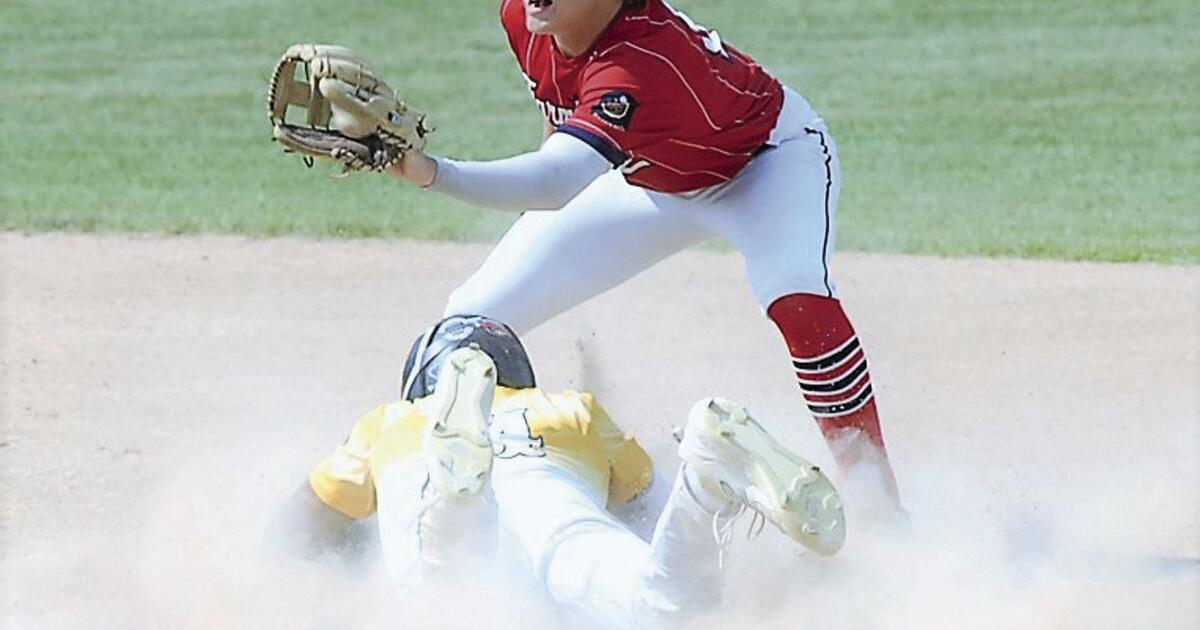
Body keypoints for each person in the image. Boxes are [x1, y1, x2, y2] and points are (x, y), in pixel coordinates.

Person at [384, 0, 900, 505]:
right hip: (647, 178)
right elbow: (557, 133)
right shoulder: (525, 14)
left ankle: (876, 500)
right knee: (468, 321)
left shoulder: (641, 59)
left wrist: (430, 171)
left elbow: (558, 180)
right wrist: (534, 240)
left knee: (796, 296)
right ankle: (421, 491)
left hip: (766, 167)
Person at [306, 315, 846, 627]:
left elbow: (307, 524)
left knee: (444, 593)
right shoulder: (574, 409)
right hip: (556, 498)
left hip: (431, 472)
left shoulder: (391, 420)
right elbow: (643, 506)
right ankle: (704, 480)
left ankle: (459, 499)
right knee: (662, 608)